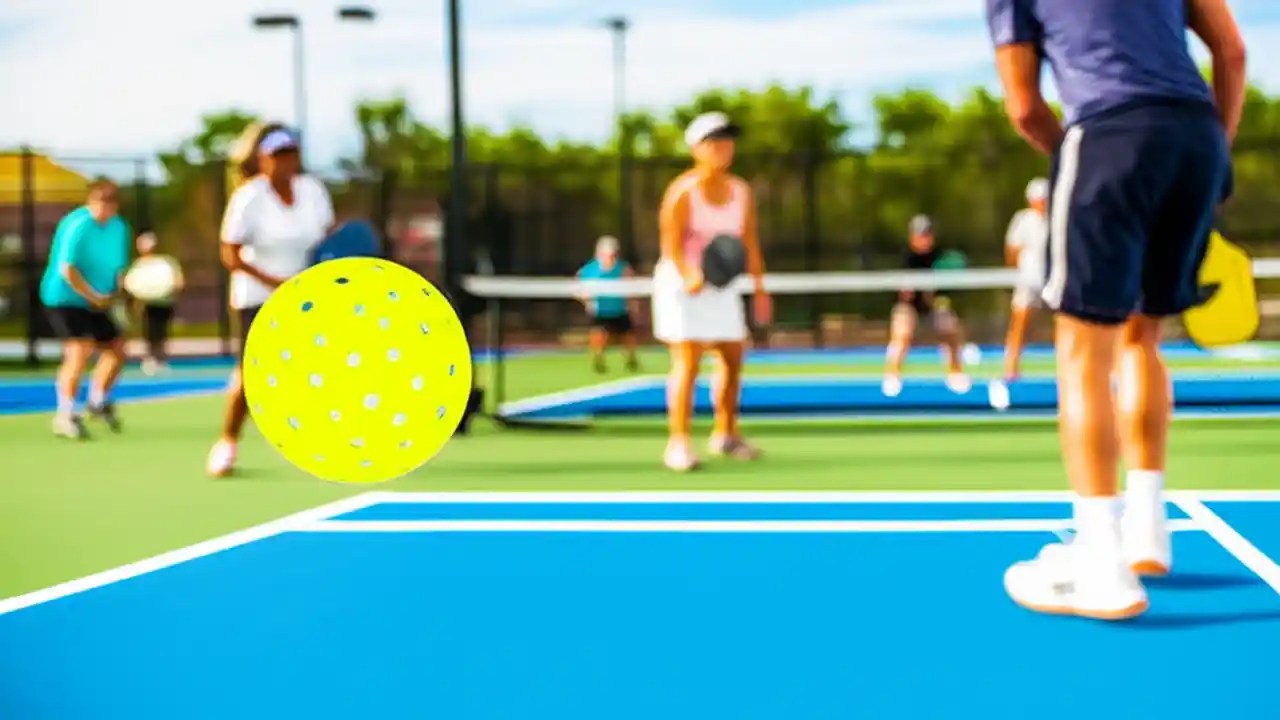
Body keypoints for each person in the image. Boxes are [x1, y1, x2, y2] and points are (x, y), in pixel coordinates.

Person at [988, 0, 1245, 619]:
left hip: (1109, 132)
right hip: (1196, 138)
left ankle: (1102, 563)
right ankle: (1146, 530)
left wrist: (1077, 156)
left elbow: (1024, 107)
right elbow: (1232, 51)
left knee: (1081, 353)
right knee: (1141, 338)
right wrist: (1218, 148)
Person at [207, 123, 335, 477]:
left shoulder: (313, 191)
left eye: (290, 155)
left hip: (304, 298)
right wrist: (274, 283)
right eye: (277, 156)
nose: (284, 162)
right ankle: (227, 444)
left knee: (317, 369)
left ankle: (318, 444)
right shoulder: (249, 197)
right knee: (250, 377)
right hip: (256, 298)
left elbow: (327, 239)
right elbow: (230, 255)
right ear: (263, 159)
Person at [653, 111, 772, 472]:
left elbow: (749, 240)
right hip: (682, 285)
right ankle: (678, 443)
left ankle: (726, 433)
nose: (724, 148)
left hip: (723, 285)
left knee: (733, 358)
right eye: (714, 142)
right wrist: (690, 273)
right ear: (696, 148)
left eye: (728, 141)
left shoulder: (741, 191)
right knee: (687, 362)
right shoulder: (682, 193)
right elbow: (670, 245)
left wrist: (760, 287)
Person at [39, 179, 131, 439]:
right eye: (99, 202)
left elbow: (119, 269)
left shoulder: (119, 227)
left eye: (110, 202)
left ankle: (97, 401)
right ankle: (65, 414)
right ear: (90, 201)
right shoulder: (77, 225)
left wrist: (121, 290)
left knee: (118, 349)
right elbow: (67, 269)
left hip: (100, 300)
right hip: (65, 298)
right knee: (79, 351)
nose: (104, 208)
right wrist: (91, 295)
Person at [882, 214, 970, 398]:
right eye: (920, 234)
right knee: (902, 332)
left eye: (927, 234)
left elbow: (945, 287)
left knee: (950, 327)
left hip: (933, 307)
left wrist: (938, 297)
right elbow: (901, 292)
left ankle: (955, 373)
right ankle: (893, 375)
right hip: (908, 306)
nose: (924, 238)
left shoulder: (940, 255)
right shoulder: (905, 257)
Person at [1002, 178, 1049, 381]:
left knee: (1064, 325)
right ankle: (1011, 369)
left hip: (1052, 281)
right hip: (1028, 281)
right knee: (1019, 324)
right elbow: (1012, 251)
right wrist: (1019, 273)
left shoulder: (1056, 219)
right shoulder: (1023, 220)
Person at [577, 235, 639, 373]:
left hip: (620, 309)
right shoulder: (589, 270)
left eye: (612, 253)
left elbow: (631, 285)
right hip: (600, 311)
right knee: (598, 336)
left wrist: (632, 303)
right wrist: (587, 301)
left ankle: (631, 359)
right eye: (606, 253)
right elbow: (579, 287)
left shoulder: (623, 268)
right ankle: (598, 361)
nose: (610, 256)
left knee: (628, 336)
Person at [130, 232, 185, 375]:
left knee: (162, 332)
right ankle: (150, 359)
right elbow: (134, 285)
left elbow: (178, 280)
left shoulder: (166, 262)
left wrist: (175, 292)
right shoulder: (138, 265)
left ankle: (160, 359)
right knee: (150, 332)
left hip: (165, 303)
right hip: (148, 305)